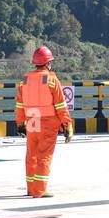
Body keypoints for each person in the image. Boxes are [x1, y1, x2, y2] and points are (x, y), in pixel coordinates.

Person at [16, 46, 73, 198]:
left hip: (32, 120)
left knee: (31, 155)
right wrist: (67, 125)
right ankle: (40, 190)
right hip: (48, 123)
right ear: (48, 63)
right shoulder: (52, 80)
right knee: (44, 155)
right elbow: (60, 105)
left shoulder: (25, 80)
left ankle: (31, 188)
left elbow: (20, 105)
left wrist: (20, 123)